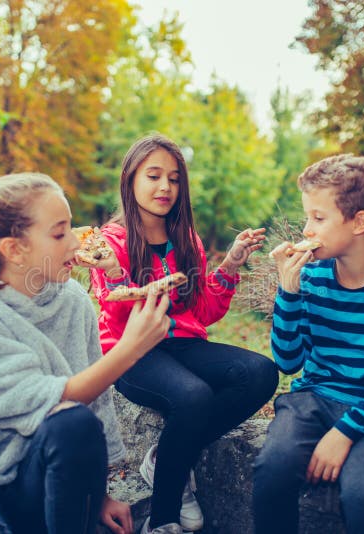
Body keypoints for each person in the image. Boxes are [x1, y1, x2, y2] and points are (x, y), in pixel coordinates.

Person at [0, 173, 171, 534]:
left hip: (32, 475)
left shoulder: (74, 304)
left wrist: (98, 494)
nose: (75, 242)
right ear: (14, 249)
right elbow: (37, 398)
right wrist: (129, 351)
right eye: (60, 233)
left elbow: (91, 407)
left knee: (75, 422)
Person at [87, 133, 279, 534]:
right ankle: (163, 520)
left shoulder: (186, 239)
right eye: (153, 175)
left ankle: (167, 458)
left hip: (181, 343)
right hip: (132, 351)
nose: (165, 187)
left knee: (261, 372)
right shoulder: (110, 242)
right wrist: (115, 275)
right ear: (131, 180)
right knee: (192, 396)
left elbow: (203, 312)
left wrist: (229, 265)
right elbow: (119, 317)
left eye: (174, 179)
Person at [253, 155, 364, 533]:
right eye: (307, 217)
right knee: (274, 466)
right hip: (312, 399)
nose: (307, 228)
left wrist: (344, 432)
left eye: (318, 218)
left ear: (359, 222)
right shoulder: (313, 277)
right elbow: (288, 361)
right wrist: (288, 290)